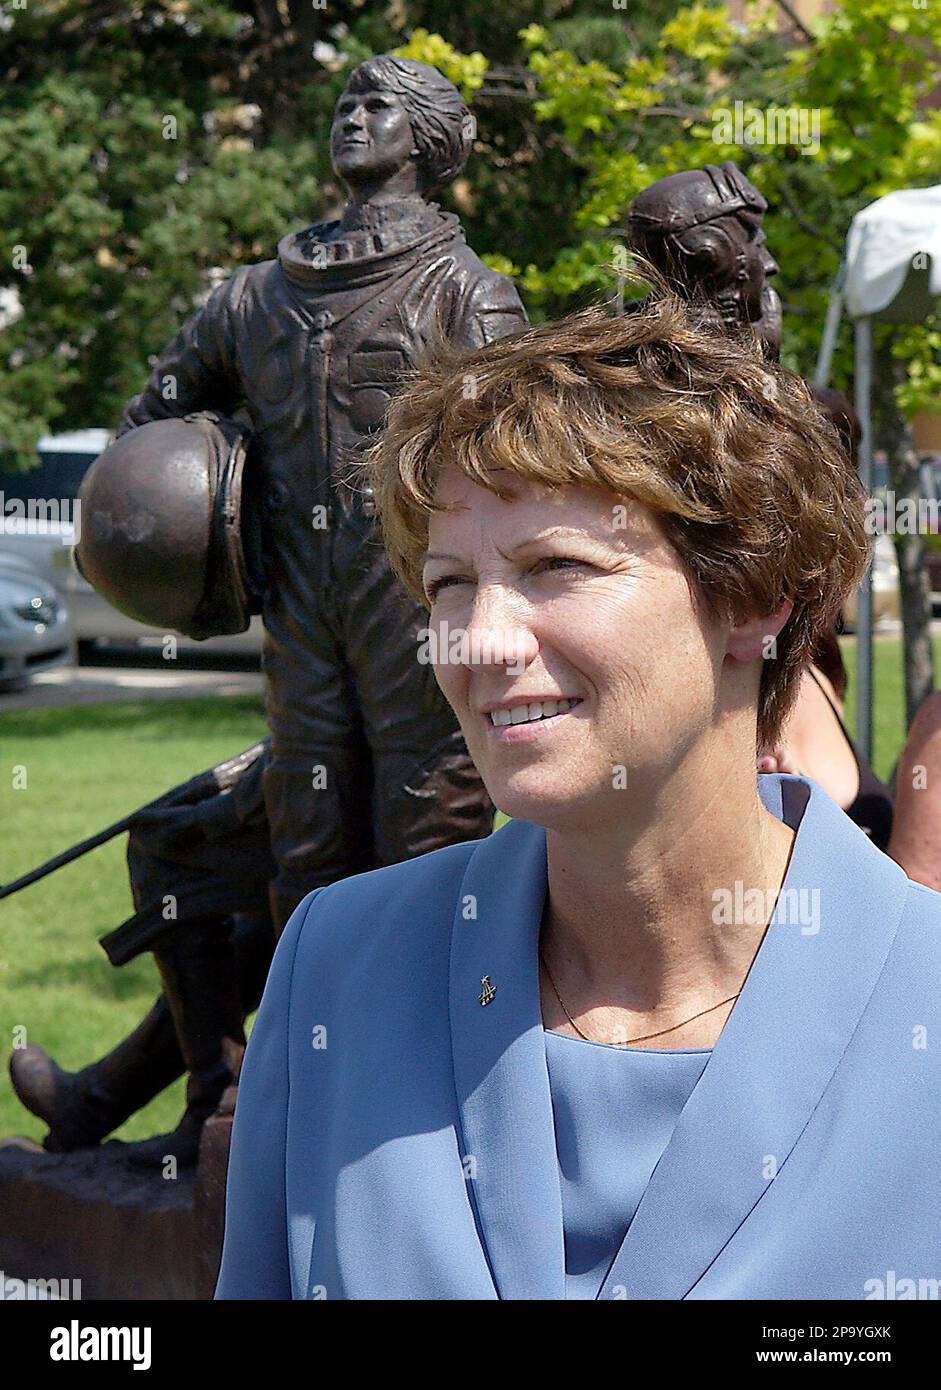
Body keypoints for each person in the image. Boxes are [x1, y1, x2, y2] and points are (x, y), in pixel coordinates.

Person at [215, 293, 941, 1300]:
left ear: (752, 598)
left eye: (553, 565)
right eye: (448, 585)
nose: (478, 641)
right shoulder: (336, 970)